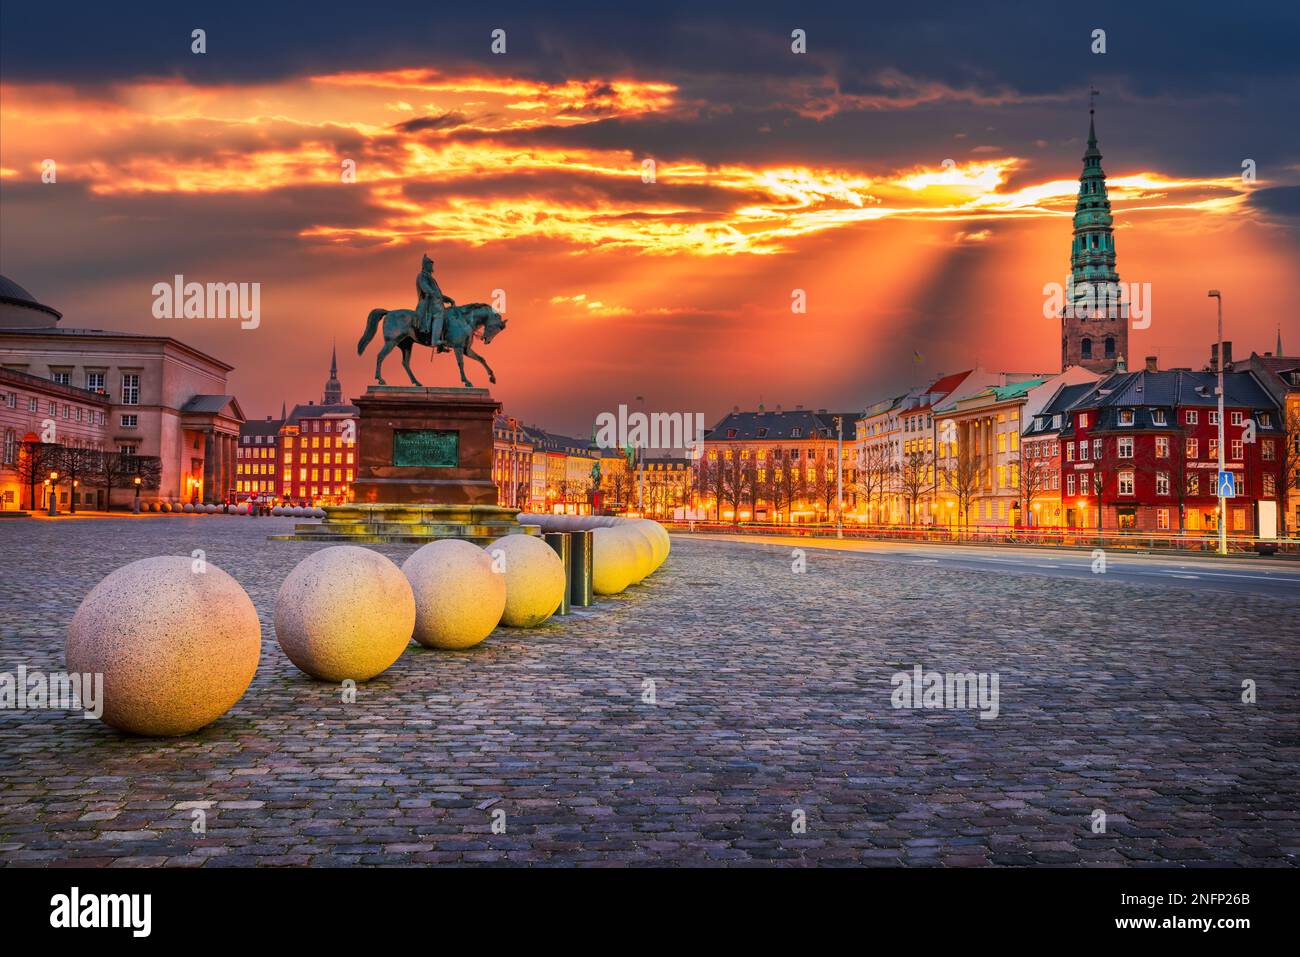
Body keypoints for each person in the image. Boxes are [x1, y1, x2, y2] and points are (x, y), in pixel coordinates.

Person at [415, 254, 456, 349]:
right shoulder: (422, 276)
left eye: (431, 265)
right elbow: (426, 288)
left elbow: (438, 293)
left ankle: (442, 341)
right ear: (425, 265)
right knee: (439, 313)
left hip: (434, 302)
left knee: (447, 314)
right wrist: (434, 293)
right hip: (428, 303)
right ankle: (435, 340)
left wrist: (448, 299)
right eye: (430, 265)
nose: (432, 267)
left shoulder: (429, 277)